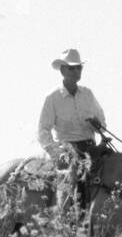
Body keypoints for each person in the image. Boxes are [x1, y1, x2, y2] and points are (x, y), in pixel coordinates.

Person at [37, 48, 111, 219]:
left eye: (79, 67)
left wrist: (98, 125)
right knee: (77, 177)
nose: (77, 71)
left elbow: (102, 123)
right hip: (68, 151)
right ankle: (75, 219)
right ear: (62, 70)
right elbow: (43, 130)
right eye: (72, 68)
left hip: (91, 149)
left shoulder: (88, 94)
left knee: (116, 165)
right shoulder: (52, 98)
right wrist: (57, 154)